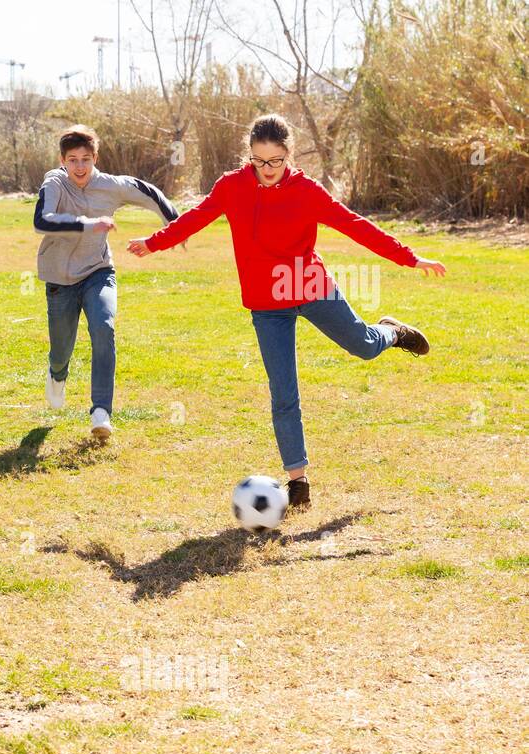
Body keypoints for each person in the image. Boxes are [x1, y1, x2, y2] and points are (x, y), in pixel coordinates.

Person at [128, 113, 446, 508]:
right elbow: (196, 218)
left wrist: (409, 258)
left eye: (275, 161)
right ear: (249, 156)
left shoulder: (306, 191)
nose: (266, 170)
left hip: (309, 285)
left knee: (364, 346)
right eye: (258, 161)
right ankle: (298, 480)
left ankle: (392, 333)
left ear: (288, 156)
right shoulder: (232, 186)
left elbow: (354, 225)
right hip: (266, 303)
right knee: (284, 394)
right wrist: (154, 242)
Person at [34, 124, 178, 443]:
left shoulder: (109, 185)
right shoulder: (54, 181)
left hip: (98, 270)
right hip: (59, 277)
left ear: (96, 157)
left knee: (104, 326)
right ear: (62, 160)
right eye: (73, 160)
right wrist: (89, 224)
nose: (80, 167)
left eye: (86, 159)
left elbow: (146, 191)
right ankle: (57, 374)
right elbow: (41, 221)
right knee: (61, 349)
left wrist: (174, 223)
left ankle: (101, 412)